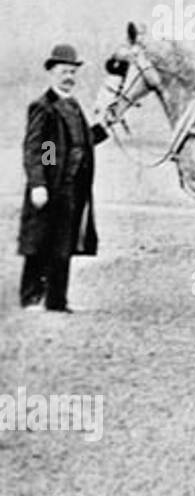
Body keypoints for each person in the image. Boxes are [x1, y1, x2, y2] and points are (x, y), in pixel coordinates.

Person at [18, 44, 109, 313]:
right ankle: (32, 298)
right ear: (51, 72)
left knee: (63, 244)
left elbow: (80, 141)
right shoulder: (44, 107)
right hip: (52, 187)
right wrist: (40, 184)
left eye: (72, 72)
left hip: (74, 189)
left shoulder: (72, 105)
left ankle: (57, 301)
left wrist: (104, 128)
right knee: (40, 241)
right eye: (63, 71)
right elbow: (40, 148)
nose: (69, 76)